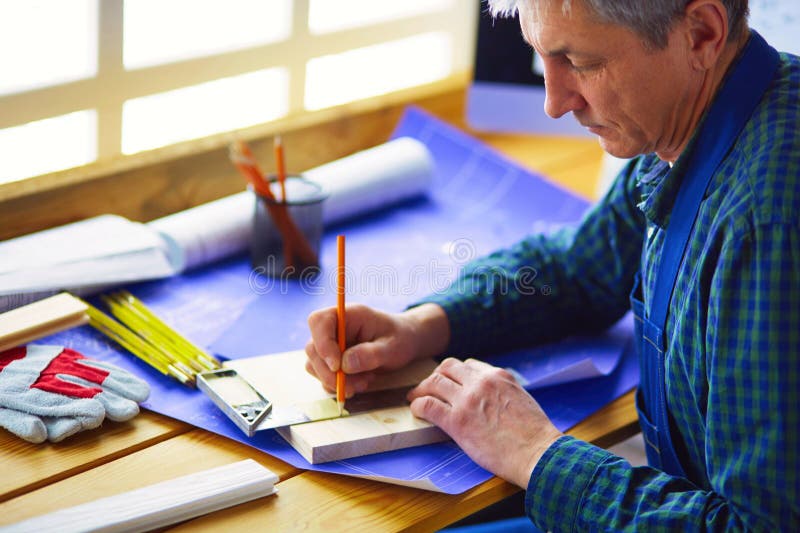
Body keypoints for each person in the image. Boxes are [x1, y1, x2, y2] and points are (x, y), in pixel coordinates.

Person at [305, 0, 799, 529]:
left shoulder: (764, 222)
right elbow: (580, 268)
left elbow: (758, 526)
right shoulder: (695, 123)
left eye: (580, 62)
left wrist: (534, 451)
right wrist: (422, 326)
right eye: (543, 58)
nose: (554, 103)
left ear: (700, 34)